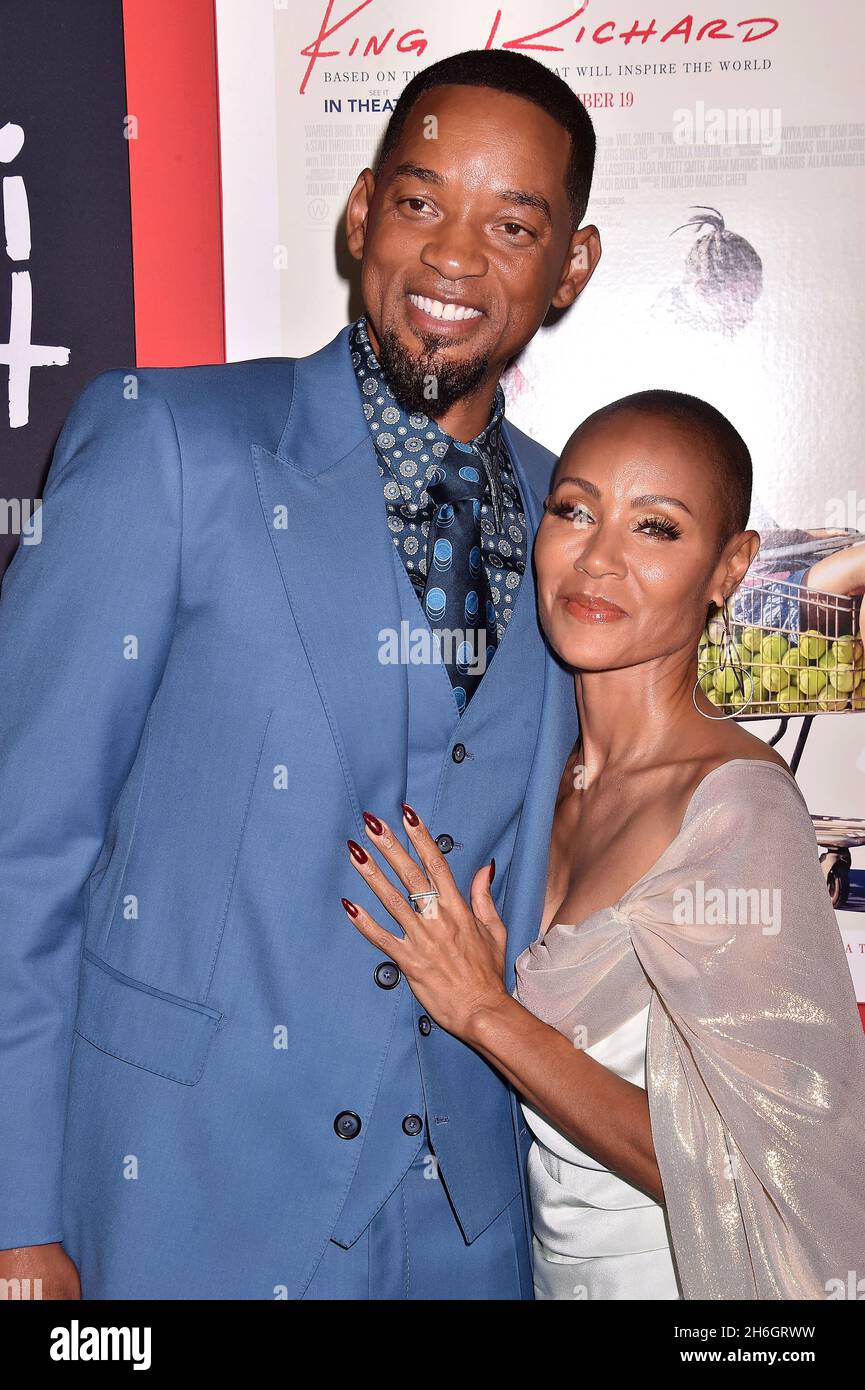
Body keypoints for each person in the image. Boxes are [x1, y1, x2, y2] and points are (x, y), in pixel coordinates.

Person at [0, 50, 601, 1299]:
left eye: (511, 225)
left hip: (461, 1230)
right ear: (359, 209)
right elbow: (26, 844)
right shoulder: (170, 445)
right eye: (420, 200)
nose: (450, 256)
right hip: (173, 1199)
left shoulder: (578, 525)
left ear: (571, 268)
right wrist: (17, 1216)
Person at [343, 389, 865, 1300]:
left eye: (655, 529)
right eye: (573, 510)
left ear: (729, 566)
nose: (598, 559)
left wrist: (486, 1012)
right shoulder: (534, 781)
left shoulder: (733, 810)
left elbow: (751, 1176)